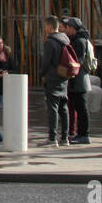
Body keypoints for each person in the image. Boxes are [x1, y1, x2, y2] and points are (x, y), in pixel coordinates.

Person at [40, 16, 72, 146]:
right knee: (63, 107)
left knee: (52, 107)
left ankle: (52, 138)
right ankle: (65, 138)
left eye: (45, 26)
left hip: (52, 77)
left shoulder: (50, 42)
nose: (45, 29)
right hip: (64, 76)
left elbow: (46, 62)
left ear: (49, 26)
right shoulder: (65, 40)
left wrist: (41, 74)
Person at [63, 16, 93, 144]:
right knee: (79, 107)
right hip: (78, 79)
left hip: (79, 80)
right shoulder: (78, 39)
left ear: (73, 28)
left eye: (68, 28)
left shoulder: (79, 41)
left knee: (81, 108)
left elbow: (76, 61)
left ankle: (84, 135)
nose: (66, 30)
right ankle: (81, 134)